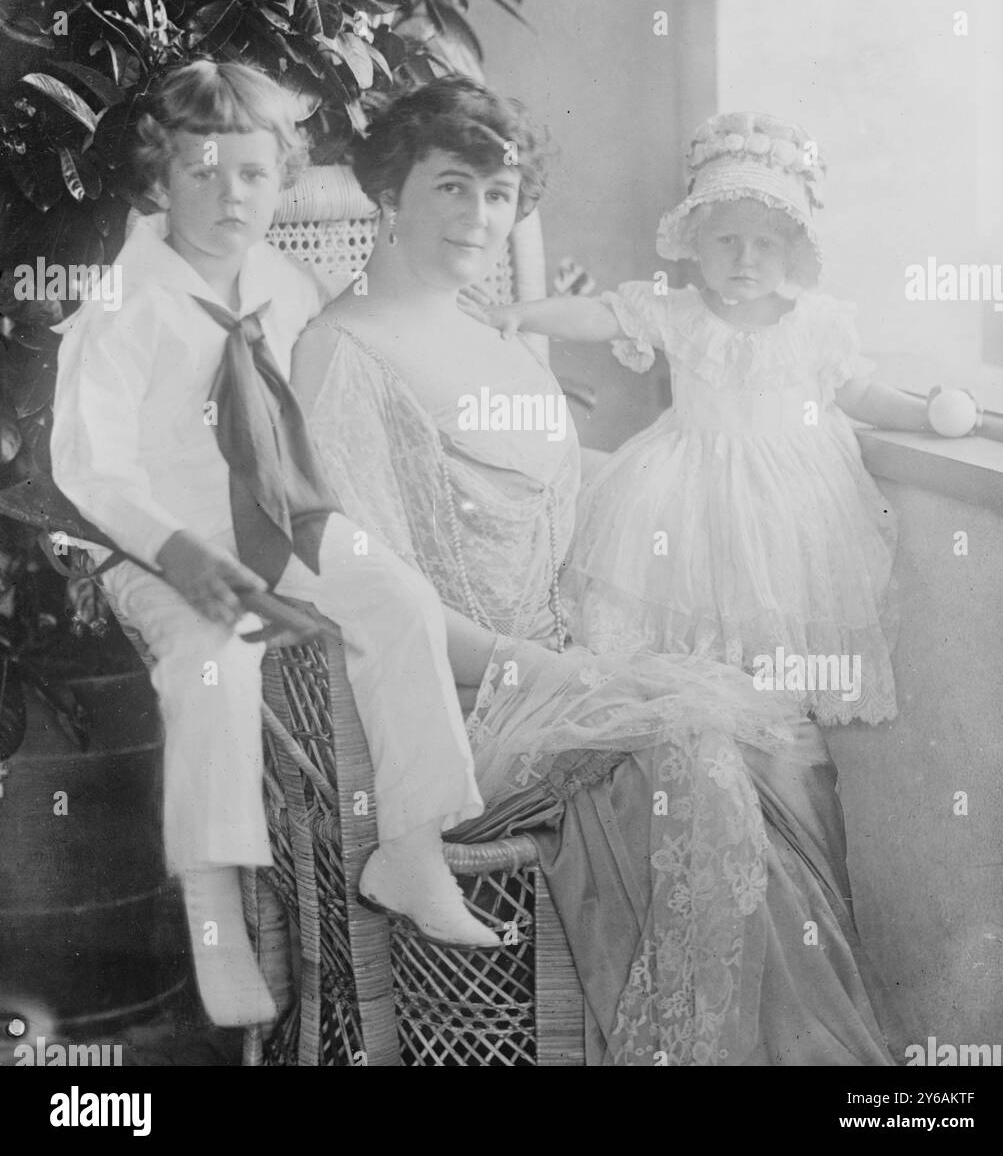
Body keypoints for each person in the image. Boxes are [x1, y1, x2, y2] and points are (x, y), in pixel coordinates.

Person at [291, 77, 904, 1065]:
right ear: (387, 190)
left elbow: (557, 510)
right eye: (451, 187)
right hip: (449, 711)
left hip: (554, 656)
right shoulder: (340, 352)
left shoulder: (484, 334)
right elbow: (374, 600)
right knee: (698, 744)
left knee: (772, 735)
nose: (479, 218)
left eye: (497, 195)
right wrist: (549, 669)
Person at [49, 61, 510, 1031]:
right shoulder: (122, 300)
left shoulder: (281, 283)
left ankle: (412, 843)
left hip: (277, 517)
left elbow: (311, 412)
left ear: (282, 179)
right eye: (203, 173)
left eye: (253, 176)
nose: (230, 196)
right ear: (158, 179)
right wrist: (173, 551)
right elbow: (91, 470)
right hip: (155, 541)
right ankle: (215, 915)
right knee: (215, 664)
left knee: (399, 599)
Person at [462, 112, 969, 725]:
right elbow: (601, 316)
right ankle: (695, 731)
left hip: (794, 504)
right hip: (686, 489)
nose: (745, 258)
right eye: (727, 240)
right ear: (697, 243)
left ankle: (764, 742)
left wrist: (924, 413)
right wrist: (521, 314)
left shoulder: (816, 323)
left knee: (773, 633)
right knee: (682, 637)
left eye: (765, 243)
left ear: (793, 252)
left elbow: (859, 392)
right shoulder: (679, 311)